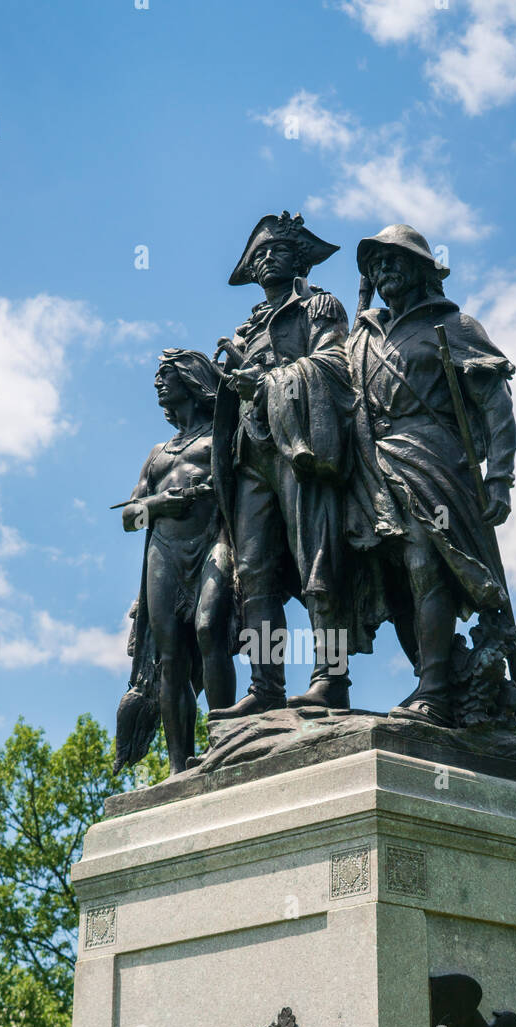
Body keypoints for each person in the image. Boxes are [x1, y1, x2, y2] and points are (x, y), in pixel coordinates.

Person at [345, 224, 516, 726]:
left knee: (428, 563)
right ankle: (435, 675)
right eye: (376, 265)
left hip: (433, 458)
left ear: (423, 268)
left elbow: (495, 403)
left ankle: (436, 692)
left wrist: (501, 477)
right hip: (371, 465)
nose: (383, 271)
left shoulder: (454, 325)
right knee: (391, 576)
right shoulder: (364, 333)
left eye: (394, 261)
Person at [210, 211, 364, 717]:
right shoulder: (248, 326)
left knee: (317, 565)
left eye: (274, 251)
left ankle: (330, 677)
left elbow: (336, 366)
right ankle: (266, 686)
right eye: (257, 256)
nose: (264, 261)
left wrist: (273, 380)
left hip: (302, 451)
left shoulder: (318, 306)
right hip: (251, 453)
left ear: (298, 257)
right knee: (254, 574)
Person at [116, 349, 237, 774]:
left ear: (189, 379)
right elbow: (131, 517)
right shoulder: (158, 453)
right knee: (171, 659)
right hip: (163, 552)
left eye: (166, 376)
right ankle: (178, 763)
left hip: (213, 542)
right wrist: (161, 504)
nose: (158, 384)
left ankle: (225, 742)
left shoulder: (220, 436)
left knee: (209, 630)